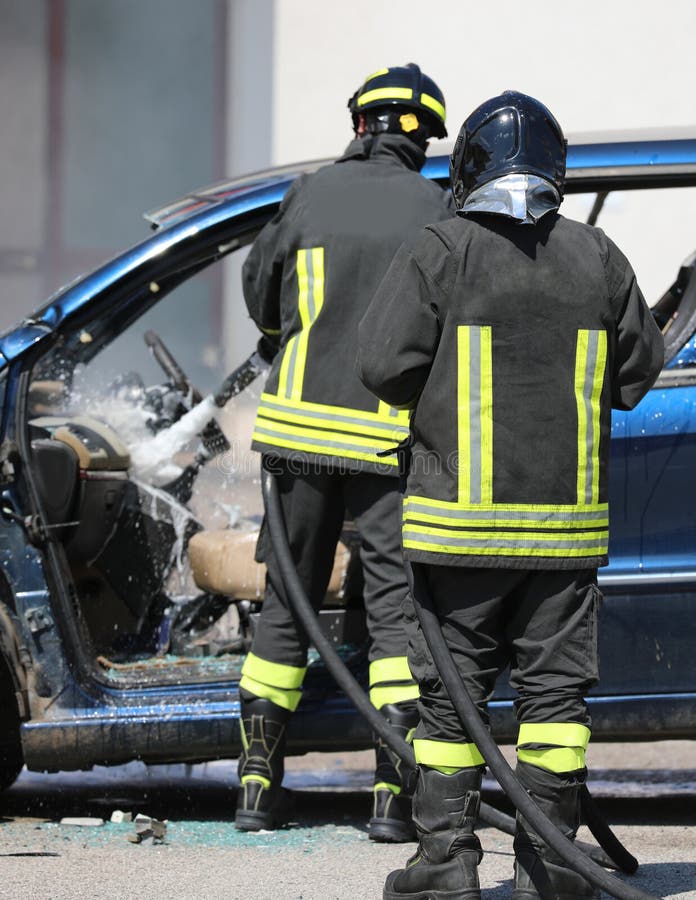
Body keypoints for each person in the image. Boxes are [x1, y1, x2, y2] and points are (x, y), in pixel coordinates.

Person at [358, 91, 664, 899]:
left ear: (467, 167)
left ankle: (446, 865)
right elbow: (637, 376)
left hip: (456, 534)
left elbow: (382, 365)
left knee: (452, 705)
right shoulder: (598, 256)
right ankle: (552, 871)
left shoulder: (440, 249)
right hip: (564, 540)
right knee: (555, 705)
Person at [236, 63, 453, 841]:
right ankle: (392, 800)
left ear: (360, 125)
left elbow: (261, 293)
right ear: (423, 135)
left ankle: (258, 788)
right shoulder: (438, 209)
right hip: (388, 444)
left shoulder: (307, 194)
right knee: (395, 612)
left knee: (287, 603)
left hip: (295, 440)